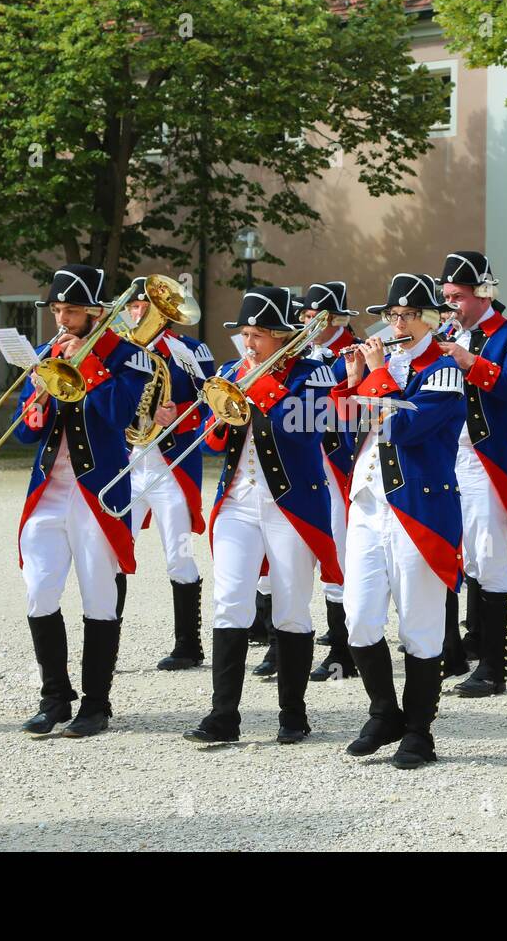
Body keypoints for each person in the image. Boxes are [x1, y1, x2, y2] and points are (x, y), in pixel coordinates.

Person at [183, 287, 341, 745]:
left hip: (292, 506)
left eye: (257, 336)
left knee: (291, 609)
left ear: (280, 337)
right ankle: (222, 716)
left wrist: (256, 384)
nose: (247, 344)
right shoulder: (234, 372)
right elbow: (213, 444)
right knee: (230, 600)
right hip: (237, 501)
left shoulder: (314, 374)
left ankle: (293, 713)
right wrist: (218, 409)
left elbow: (302, 431)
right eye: (245, 334)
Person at [331, 273, 467, 768]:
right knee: (360, 619)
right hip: (368, 507)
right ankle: (384, 711)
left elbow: (404, 426)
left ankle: (419, 732)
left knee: (420, 626)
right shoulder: (380, 369)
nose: (398, 325)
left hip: (418, 511)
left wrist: (373, 375)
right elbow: (347, 439)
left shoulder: (444, 370)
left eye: (408, 316)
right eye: (392, 316)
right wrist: (351, 383)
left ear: (431, 320)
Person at [14, 265, 153, 738]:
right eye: (56, 310)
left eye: (71, 310)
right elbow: (22, 432)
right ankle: (54, 697)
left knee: (99, 595)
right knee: (39, 590)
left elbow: (116, 414)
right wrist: (35, 396)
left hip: (98, 490)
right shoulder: (44, 353)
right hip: (49, 488)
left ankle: (96, 703)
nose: (62, 319)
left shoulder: (130, 357)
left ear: (96, 311)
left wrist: (86, 365)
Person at [435, 251, 507, 697]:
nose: (450, 305)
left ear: (483, 294)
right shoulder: (448, 333)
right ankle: (467, 642)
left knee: (487, 554)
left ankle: (494, 669)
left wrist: (467, 360)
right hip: (445, 457)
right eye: (447, 297)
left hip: (485, 460)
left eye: (457, 297)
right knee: (461, 554)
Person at [124, 278, 218, 671]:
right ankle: (106, 646)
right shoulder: (118, 349)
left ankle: (188, 645)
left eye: (146, 305)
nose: (139, 312)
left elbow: (211, 398)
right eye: (134, 306)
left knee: (178, 555)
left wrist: (175, 413)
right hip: (127, 462)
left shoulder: (189, 350)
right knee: (111, 551)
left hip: (171, 464)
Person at [293, 282, 363, 682]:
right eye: (304, 315)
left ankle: (343, 650)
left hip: (337, 463)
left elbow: (351, 411)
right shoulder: (301, 352)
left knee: (336, 547)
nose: (306, 321)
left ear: (335, 318)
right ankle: (283, 638)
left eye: (314, 314)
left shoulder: (354, 352)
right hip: (303, 459)